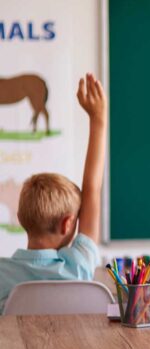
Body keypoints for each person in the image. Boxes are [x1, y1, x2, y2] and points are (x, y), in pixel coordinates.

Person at [0, 74, 107, 312]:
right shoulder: (78, 266)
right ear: (68, 223)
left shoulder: (2, 274)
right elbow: (92, 189)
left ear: (19, 218)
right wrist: (98, 118)